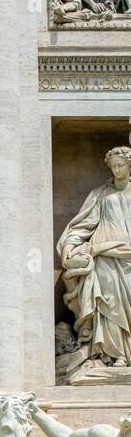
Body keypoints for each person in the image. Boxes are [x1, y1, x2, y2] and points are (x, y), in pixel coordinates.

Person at [58, 145, 131, 367]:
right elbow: (84, 224)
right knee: (109, 303)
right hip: (104, 255)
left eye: (121, 166)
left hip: (127, 252)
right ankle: (116, 354)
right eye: (114, 166)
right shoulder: (100, 194)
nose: (117, 170)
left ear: (129, 166)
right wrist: (71, 244)